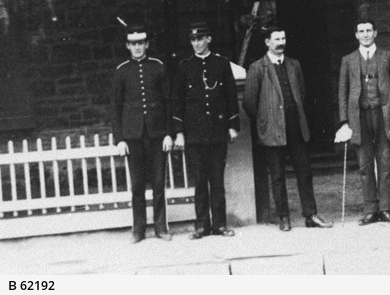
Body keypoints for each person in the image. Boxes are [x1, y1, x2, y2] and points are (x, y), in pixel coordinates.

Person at [243, 25, 332, 231]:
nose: (281, 42)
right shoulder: (258, 68)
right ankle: (283, 217)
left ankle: (311, 215)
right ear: (267, 42)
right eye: (276, 39)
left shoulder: (294, 65)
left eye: (283, 38)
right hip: (273, 130)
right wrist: (266, 121)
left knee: (305, 172)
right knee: (277, 174)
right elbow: (249, 102)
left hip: (296, 127)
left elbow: (301, 93)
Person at [171, 22, 239, 239]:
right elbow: (177, 102)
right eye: (193, 40)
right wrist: (179, 132)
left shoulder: (221, 64)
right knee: (200, 181)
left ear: (209, 39)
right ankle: (201, 226)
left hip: (217, 133)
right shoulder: (184, 67)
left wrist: (232, 125)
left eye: (200, 39)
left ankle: (219, 225)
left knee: (217, 181)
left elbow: (230, 97)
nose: (197, 44)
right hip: (194, 136)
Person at [334, 19, 390, 225]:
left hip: (384, 115)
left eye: (368, 30)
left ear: (375, 33)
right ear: (356, 35)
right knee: (365, 165)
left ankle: (386, 209)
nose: (365, 34)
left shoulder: (388, 57)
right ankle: (370, 209)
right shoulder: (348, 60)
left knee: (385, 162)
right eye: (361, 31)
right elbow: (342, 93)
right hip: (359, 117)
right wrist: (344, 122)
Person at [111, 24, 173, 243]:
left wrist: (168, 133)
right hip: (133, 137)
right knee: (137, 185)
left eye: (141, 43)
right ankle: (138, 230)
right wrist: (119, 139)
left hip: (156, 135)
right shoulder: (121, 71)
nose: (137, 47)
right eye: (133, 43)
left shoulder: (158, 67)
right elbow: (116, 108)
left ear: (147, 44)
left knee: (158, 183)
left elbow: (168, 102)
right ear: (128, 46)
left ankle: (160, 228)